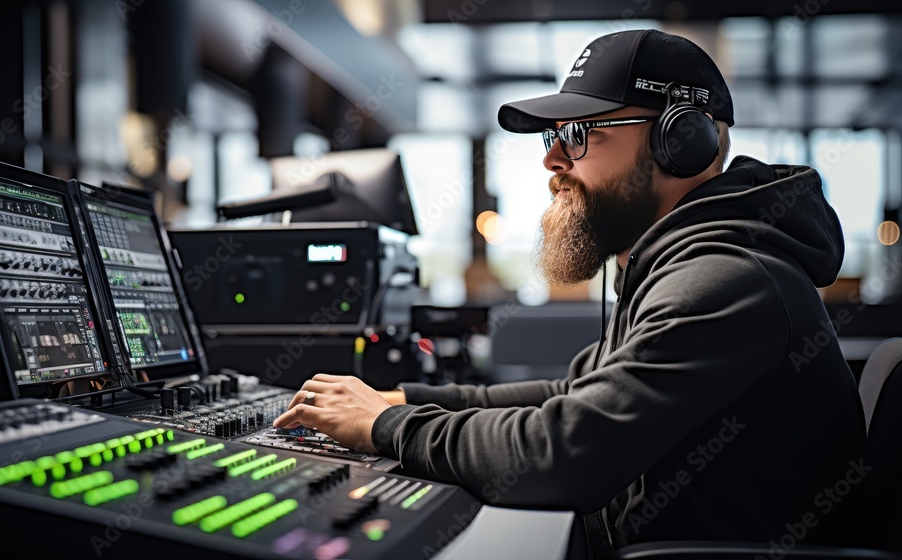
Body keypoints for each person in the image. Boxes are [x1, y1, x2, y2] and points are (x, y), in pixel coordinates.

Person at [273, 29, 867, 555]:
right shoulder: (677, 264)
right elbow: (573, 394)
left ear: (679, 141)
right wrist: (403, 395)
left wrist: (387, 425)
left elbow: (564, 453)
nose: (552, 159)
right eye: (552, 137)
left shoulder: (726, 280)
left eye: (579, 133)